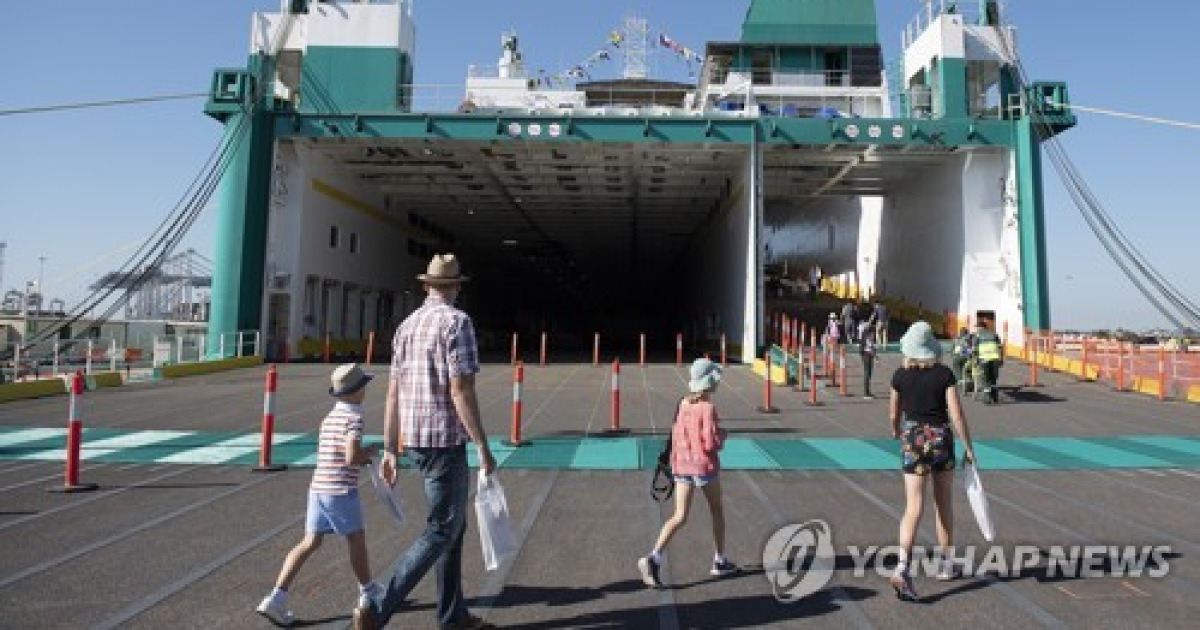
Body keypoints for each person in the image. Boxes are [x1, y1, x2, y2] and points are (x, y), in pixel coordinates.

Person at [353, 254, 498, 630]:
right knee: (440, 530)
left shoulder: (406, 326)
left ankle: (452, 616)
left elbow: (393, 393)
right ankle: (377, 608)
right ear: (457, 286)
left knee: (453, 527)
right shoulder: (457, 323)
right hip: (445, 442)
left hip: (414, 439)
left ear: (425, 285)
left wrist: (389, 448)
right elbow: (461, 389)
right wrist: (482, 445)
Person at [257, 363, 382, 626]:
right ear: (357, 391)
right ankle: (368, 590)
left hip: (318, 488)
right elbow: (350, 457)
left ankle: (276, 597)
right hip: (340, 490)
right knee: (356, 540)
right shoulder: (354, 419)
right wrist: (369, 453)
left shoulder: (330, 417)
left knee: (309, 542)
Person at [888, 321, 977, 602]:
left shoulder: (900, 375)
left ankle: (902, 567)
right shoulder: (944, 375)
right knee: (943, 503)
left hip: (912, 438)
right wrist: (969, 446)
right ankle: (946, 564)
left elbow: (894, 412)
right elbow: (957, 414)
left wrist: (895, 430)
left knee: (912, 507)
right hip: (940, 439)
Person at [638, 358, 735, 588]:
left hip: (681, 465)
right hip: (703, 467)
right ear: (709, 383)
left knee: (679, 516)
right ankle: (719, 560)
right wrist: (723, 435)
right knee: (717, 511)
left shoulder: (683, 403)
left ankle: (654, 557)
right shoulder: (708, 408)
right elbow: (710, 444)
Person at [973, 323, 1004, 404]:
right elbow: (1000, 347)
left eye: (977, 327)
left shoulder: (977, 336)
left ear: (981, 327)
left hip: (984, 359)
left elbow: (974, 349)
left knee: (985, 378)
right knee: (993, 378)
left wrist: (975, 360)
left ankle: (987, 398)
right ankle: (995, 397)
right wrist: (1001, 358)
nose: (976, 329)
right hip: (995, 359)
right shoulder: (994, 334)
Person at [858, 321, 877, 398]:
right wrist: (874, 355)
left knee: (868, 373)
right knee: (867, 373)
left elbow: (870, 346)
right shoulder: (868, 335)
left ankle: (867, 391)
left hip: (865, 354)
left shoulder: (864, 334)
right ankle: (866, 393)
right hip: (867, 354)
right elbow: (869, 347)